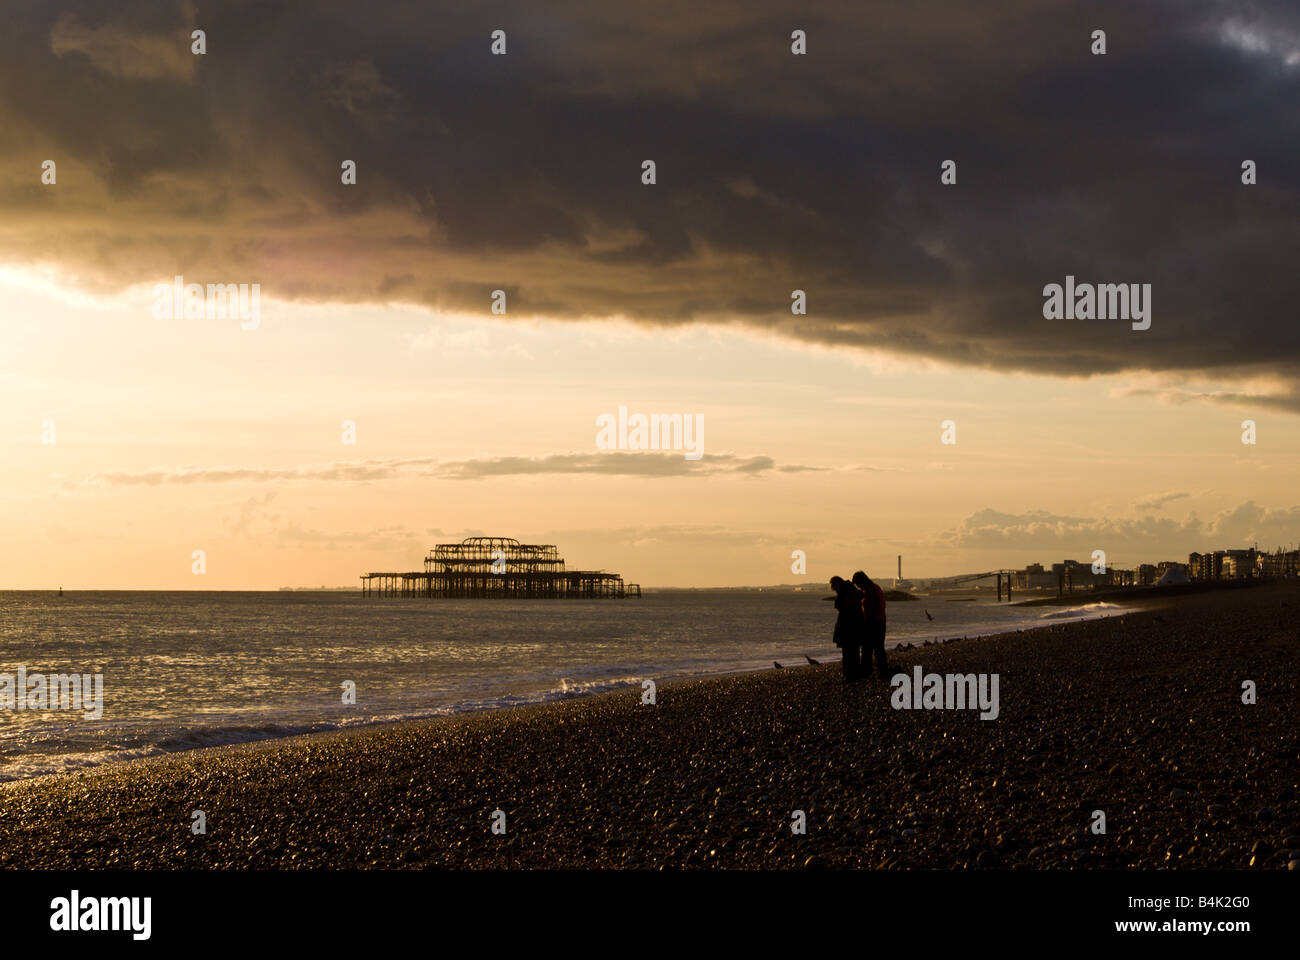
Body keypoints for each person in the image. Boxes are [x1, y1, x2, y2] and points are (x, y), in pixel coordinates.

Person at [852, 570, 890, 680]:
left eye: (858, 584)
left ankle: (868, 672)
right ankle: (882, 671)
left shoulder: (870, 591)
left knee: (867, 649)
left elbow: (870, 609)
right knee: (878, 649)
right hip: (880, 622)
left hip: (873, 623)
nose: (858, 587)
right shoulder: (876, 588)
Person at [829, 576, 865, 682]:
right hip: (855, 626)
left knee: (848, 653)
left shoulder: (844, 592)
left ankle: (850, 675)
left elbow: (840, 606)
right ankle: (855, 674)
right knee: (853, 652)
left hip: (848, 627)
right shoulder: (851, 590)